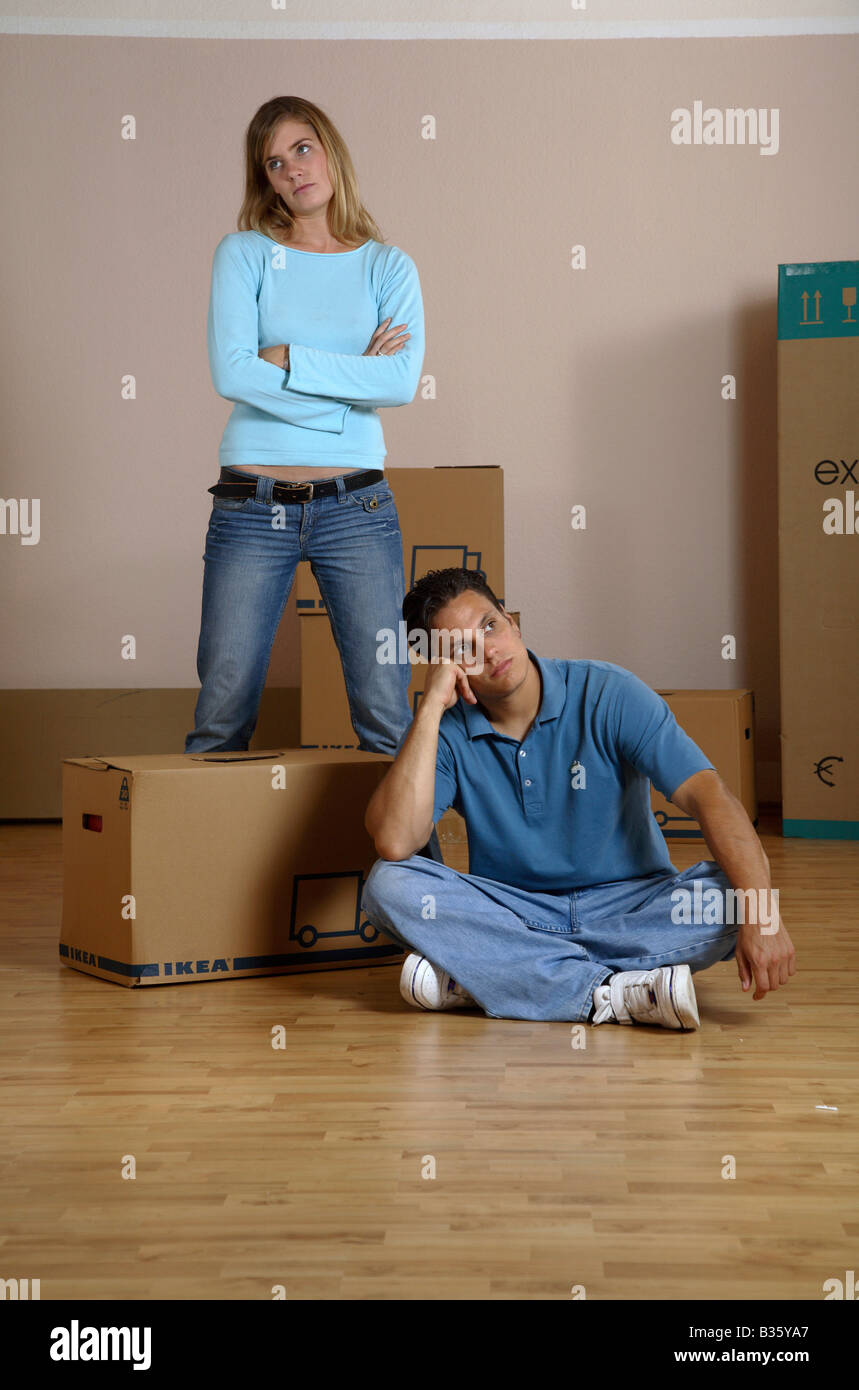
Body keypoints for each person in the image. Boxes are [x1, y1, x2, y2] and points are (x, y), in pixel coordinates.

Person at [361, 568, 797, 1028]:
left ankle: (494, 974)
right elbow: (394, 842)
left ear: (512, 622)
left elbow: (710, 796)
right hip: (515, 911)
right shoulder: (446, 732)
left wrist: (762, 916)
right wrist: (430, 707)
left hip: (630, 908)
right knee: (390, 884)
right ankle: (611, 993)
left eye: (489, 625)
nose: (488, 651)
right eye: (462, 649)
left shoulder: (609, 692)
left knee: (734, 893)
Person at [184, 95, 435, 824]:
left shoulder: (388, 267)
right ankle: (195, 891)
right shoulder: (243, 253)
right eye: (273, 161)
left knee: (386, 713)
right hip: (249, 503)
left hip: (354, 506)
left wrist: (289, 358)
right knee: (223, 709)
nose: (292, 169)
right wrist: (342, 397)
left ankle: (422, 902)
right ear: (263, 180)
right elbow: (232, 373)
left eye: (302, 148)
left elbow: (399, 382)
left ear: (329, 151)